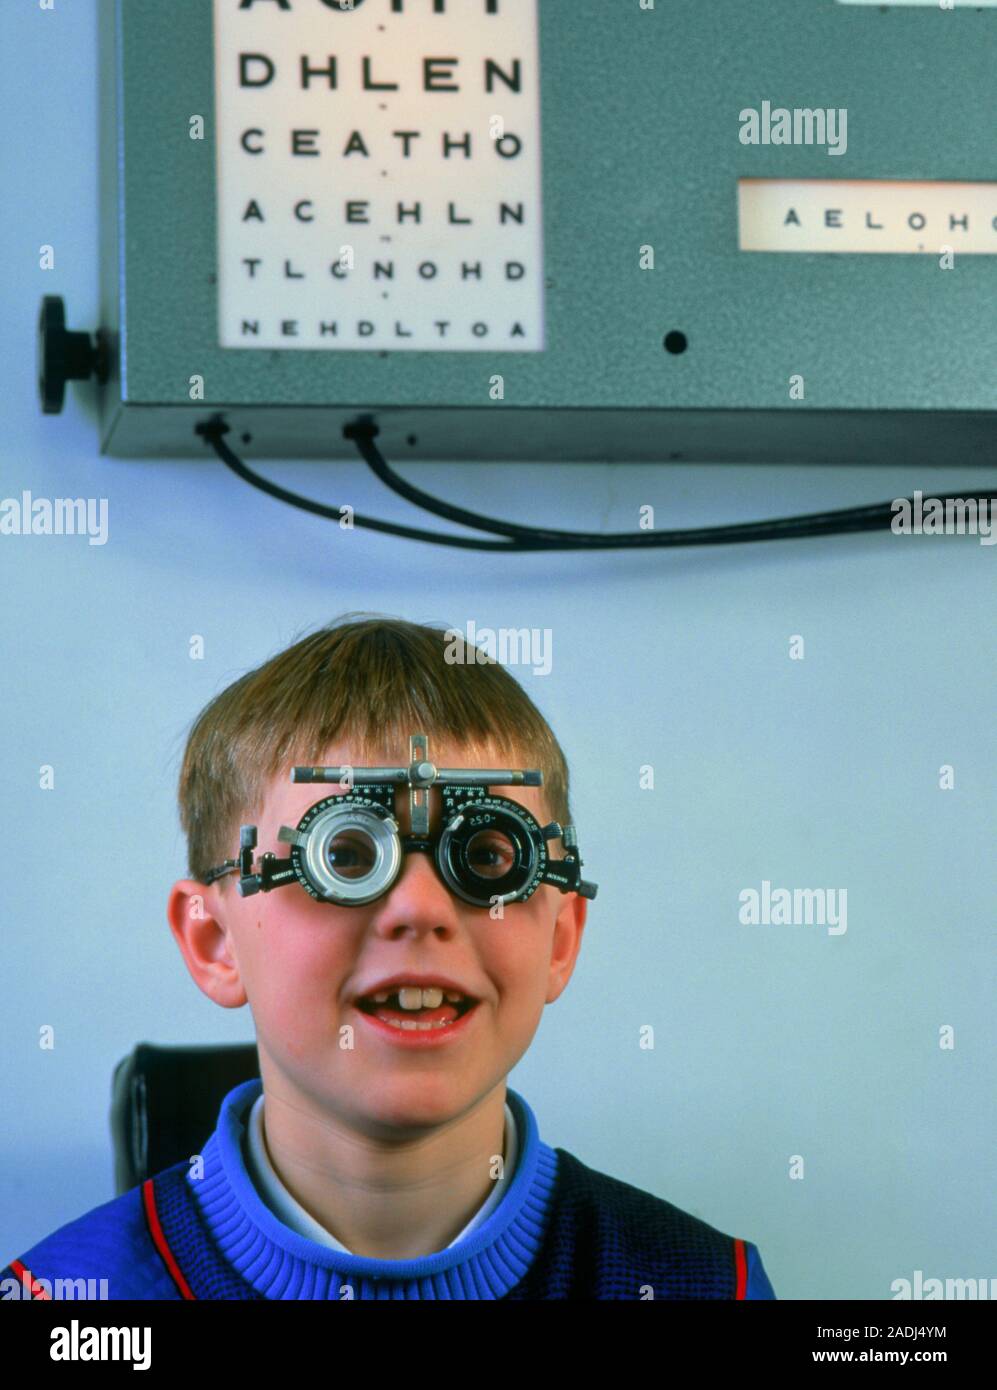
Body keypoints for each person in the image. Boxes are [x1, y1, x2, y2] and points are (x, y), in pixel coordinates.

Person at [2, 614, 776, 1301]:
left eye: (485, 855)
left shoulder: (701, 1284)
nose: (420, 908)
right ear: (214, 941)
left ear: (561, 937)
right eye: (344, 853)